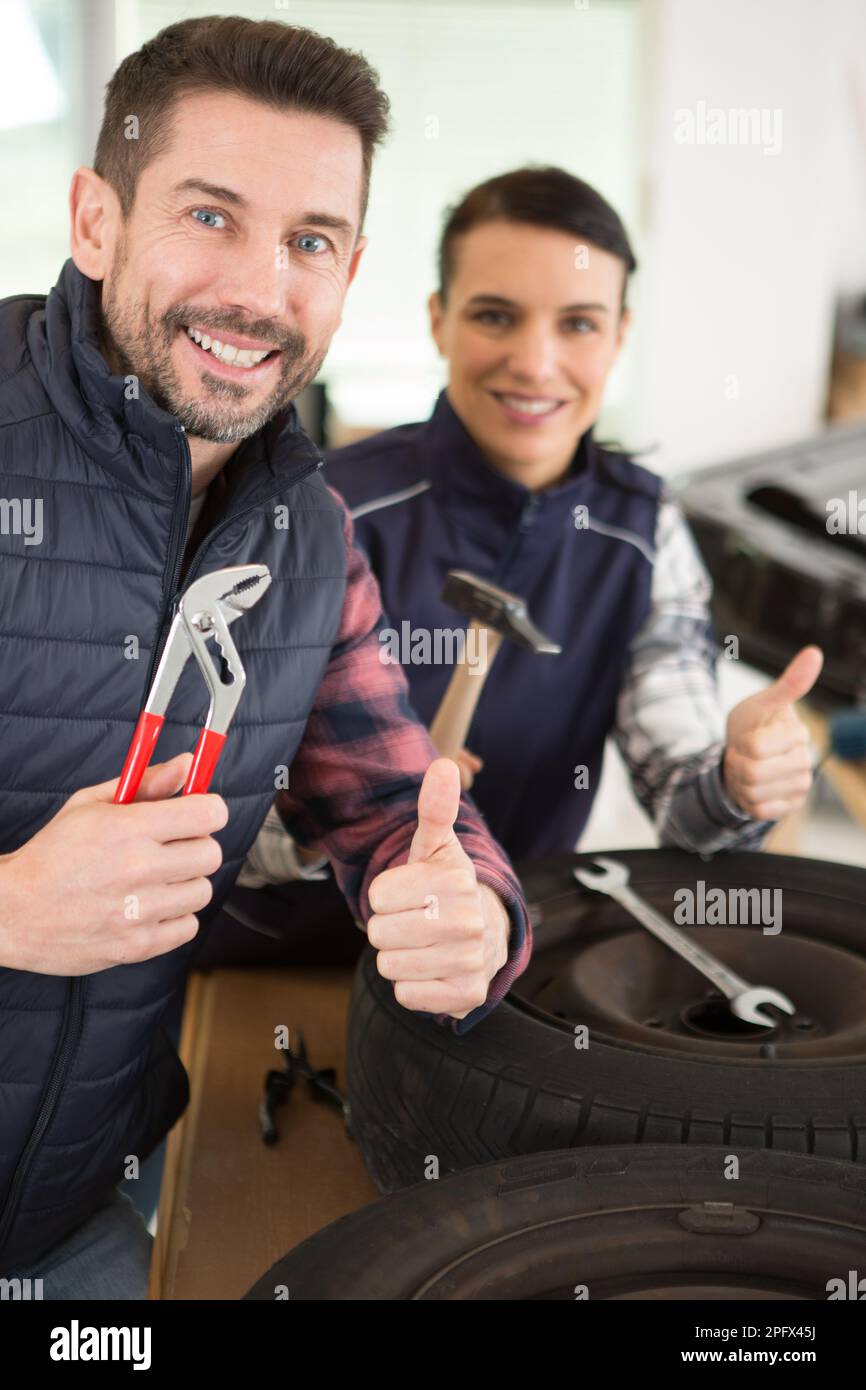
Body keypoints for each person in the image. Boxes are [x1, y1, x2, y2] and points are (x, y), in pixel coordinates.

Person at [0, 16, 531, 1299]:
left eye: (308, 241)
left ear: (349, 270)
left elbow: (394, 812)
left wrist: (470, 914)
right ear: (94, 221)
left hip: (72, 1225)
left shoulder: (311, 536)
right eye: (208, 215)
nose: (258, 290)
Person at [258, 165, 820, 870]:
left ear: (620, 336)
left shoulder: (644, 529)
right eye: (495, 315)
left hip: (502, 949)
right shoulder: (320, 508)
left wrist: (737, 783)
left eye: (579, 324)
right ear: (439, 320)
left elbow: (687, 811)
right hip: (288, 952)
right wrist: (355, 808)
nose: (535, 363)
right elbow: (219, 818)